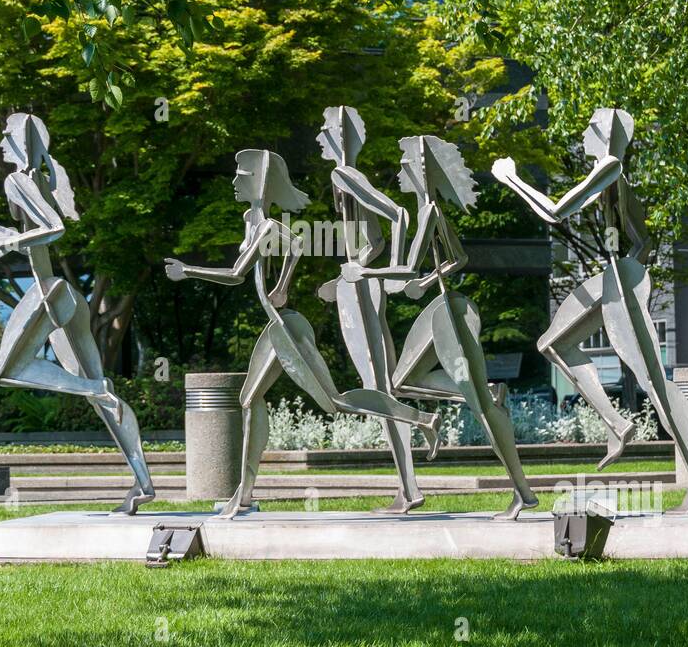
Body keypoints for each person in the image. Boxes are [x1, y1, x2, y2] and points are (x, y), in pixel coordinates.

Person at [166, 147, 441, 518]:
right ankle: (243, 495)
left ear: (259, 183)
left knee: (336, 401)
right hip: (275, 325)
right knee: (248, 400)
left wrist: (188, 271)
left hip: (287, 329)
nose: (234, 181)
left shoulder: (264, 226)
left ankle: (423, 420)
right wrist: (281, 284)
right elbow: (294, 245)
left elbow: (236, 275)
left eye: (241, 177)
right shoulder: (253, 220)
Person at [492, 107, 688, 515]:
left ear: (601, 135)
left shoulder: (609, 167)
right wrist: (626, 272)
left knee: (652, 380)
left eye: (587, 131)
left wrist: (512, 179)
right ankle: (617, 424)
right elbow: (643, 239)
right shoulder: (617, 175)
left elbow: (556, 213)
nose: (582, 138)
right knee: (552, 343)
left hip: (620, 278)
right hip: (617, 274)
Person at [0, 113, 155, 515]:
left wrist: (3, 245)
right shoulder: (34, 179)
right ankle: (142, 483)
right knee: (100, 392)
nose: (0, 141)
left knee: (5, 373)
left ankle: (94, 388)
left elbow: (53, 229)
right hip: (65, 295)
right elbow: (37, 239)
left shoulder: (17, 179)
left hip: (48, 294)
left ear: (21, 141)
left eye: (6, 135)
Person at [383, 134, 538, 521]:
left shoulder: (428, 211)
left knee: (481, 410)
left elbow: (405, 272)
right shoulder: (424, 211)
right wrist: (427, 277)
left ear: (421, 172)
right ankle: (487, 390)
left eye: (405, 165)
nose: (400, 171)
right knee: (399, 382)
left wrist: (365, 273)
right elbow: (458, 258)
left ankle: (522, 493)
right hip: (442, 306)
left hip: (451, 313)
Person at [316, 106, 441, 514]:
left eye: (325, 129)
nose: (320, 135)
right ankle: (408, 485)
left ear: (338, 136)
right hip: (357, 286)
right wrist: (357, 273)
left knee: (377, 389)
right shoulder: (346, 178)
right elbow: (380, 234)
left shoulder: (343, 174)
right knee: (382, 385)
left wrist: (378, 272)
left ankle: (419, 442)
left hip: (361, 289)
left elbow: (399, 215)